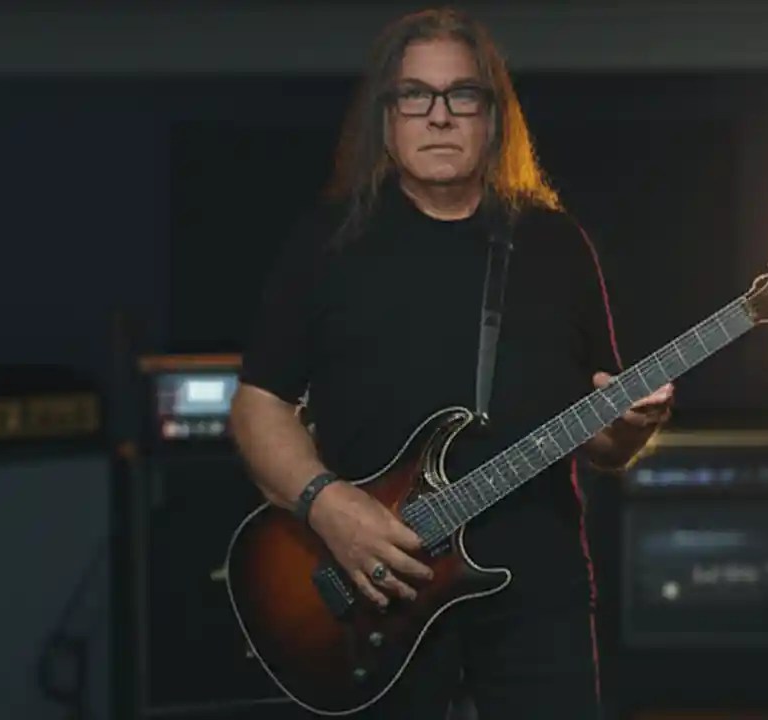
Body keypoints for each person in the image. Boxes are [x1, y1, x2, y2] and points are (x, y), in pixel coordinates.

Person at [228, 6, 673, 719]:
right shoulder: (327, 243)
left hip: (537, 592)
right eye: (415, 95)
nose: (439, 116)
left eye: (462, 95)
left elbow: (601, 435)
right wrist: (327, 505)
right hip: (376, 585)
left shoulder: (555, 245)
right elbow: (258, 407)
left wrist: (631, 425)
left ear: (493, 116)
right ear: (387, 116)